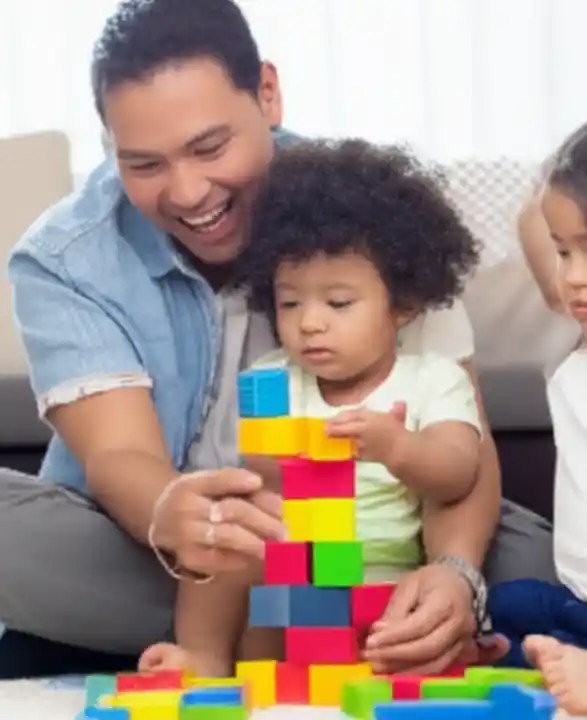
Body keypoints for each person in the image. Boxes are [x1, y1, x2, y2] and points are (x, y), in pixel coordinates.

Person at [0, 0, 553, 677]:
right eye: (143, 164)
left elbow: (463, 440)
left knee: (529, 558)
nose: (188, 192)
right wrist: (177, 513)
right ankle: (252, 636)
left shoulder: (367, 215)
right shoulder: (64, 256)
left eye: (210, 148)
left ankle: (205, 636)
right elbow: (119, 455)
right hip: (142, 543)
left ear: (267, 93)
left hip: (367, 542)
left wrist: (455, 572)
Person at [137, 138, 492, 675]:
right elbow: (259, 470)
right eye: (290, 303)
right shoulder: (272, 376)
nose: (310, 323)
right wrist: (288, 462)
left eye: (339, 303)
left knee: (393, 640)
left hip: (383, 567)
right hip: (295, 553)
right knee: (228, 538)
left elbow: (459, 471)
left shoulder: (432, 379)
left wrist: (398, 448)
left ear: (403, 305)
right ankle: (205, 655)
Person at [486, 106, 587, 716]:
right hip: (577, 604)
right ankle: (571, 665)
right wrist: (566, 172)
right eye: (562, 253)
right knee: (497, 606)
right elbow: (536, 214)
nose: (573, 277)